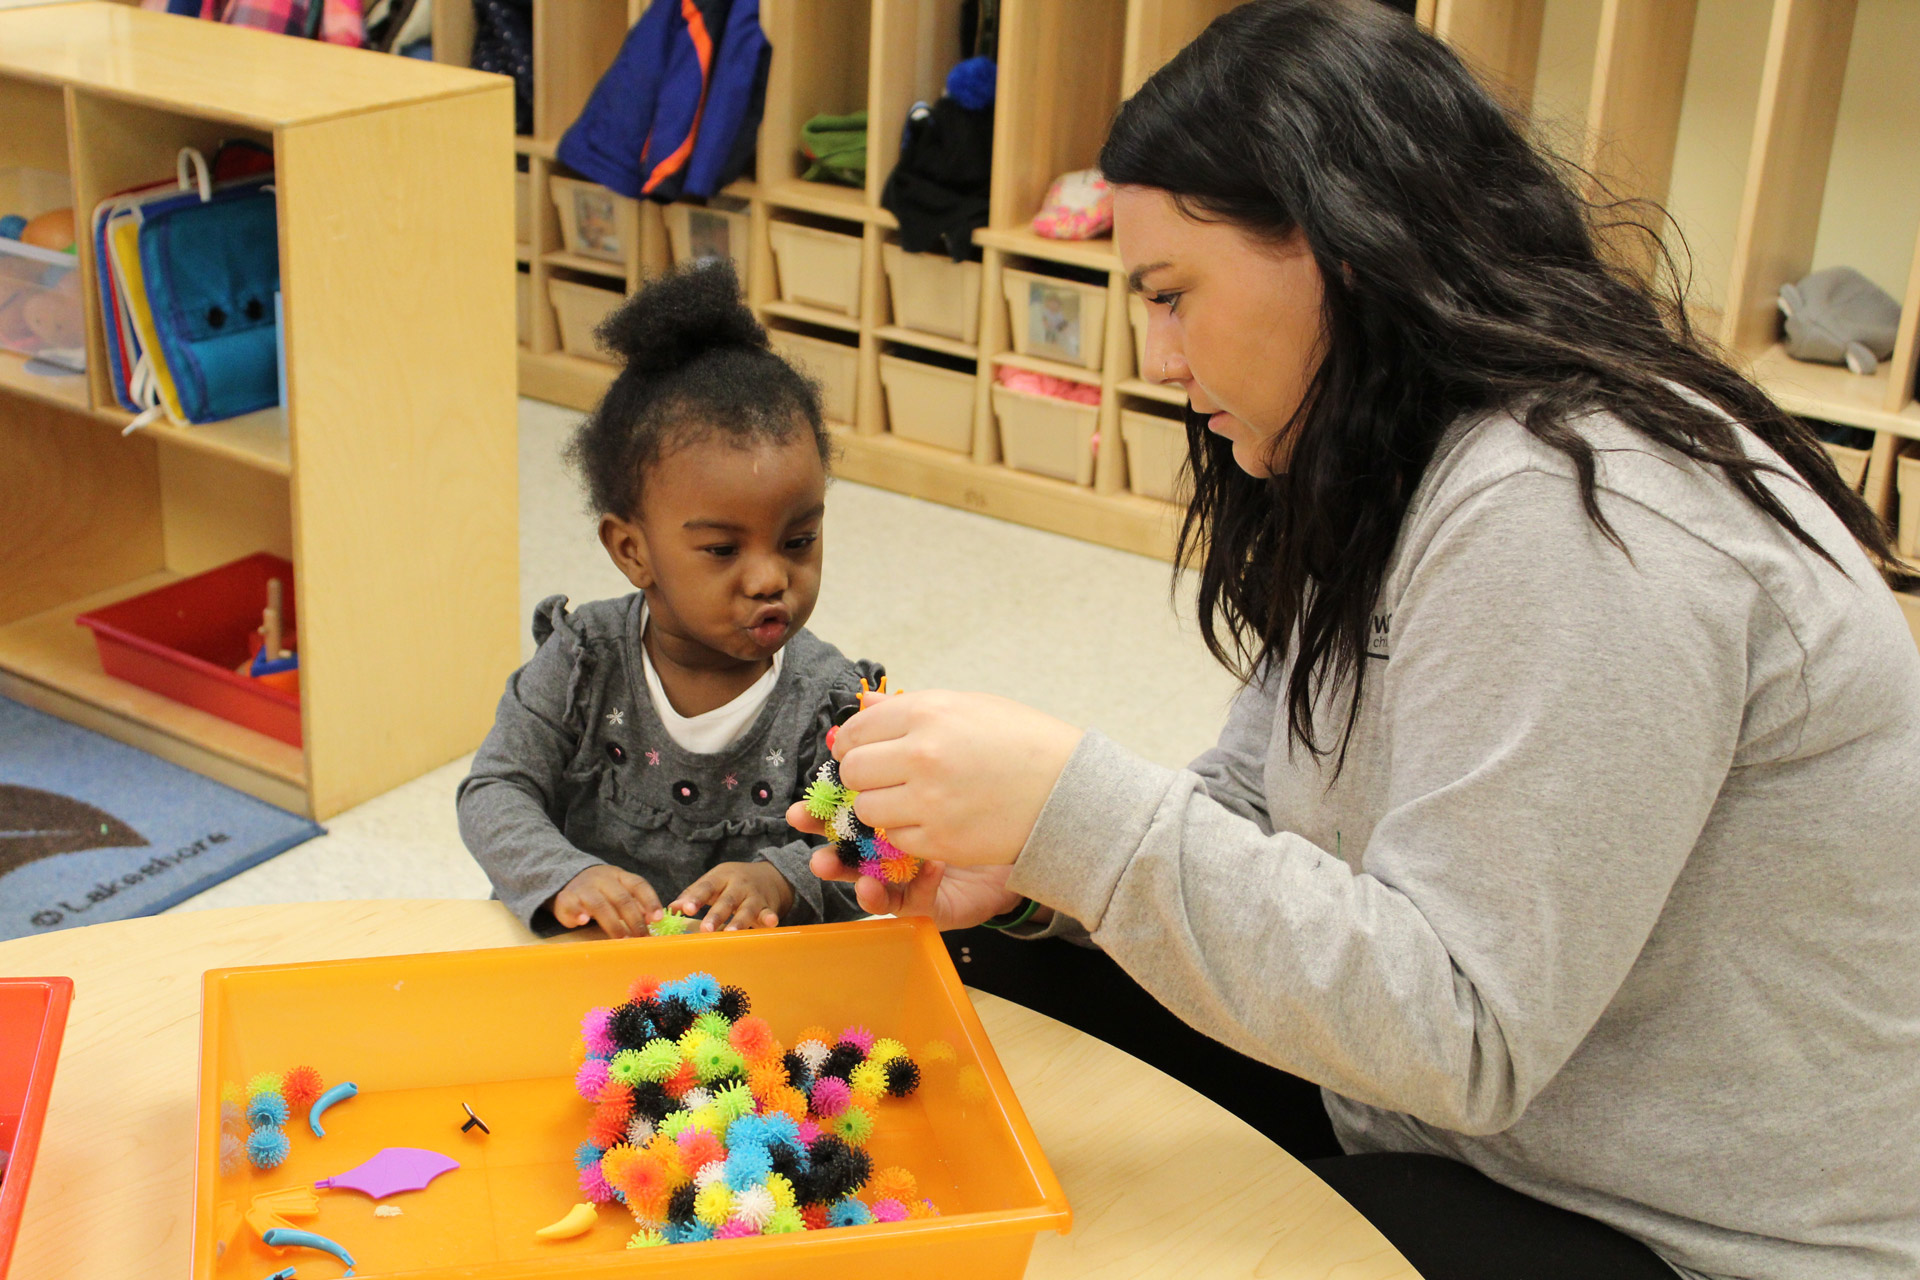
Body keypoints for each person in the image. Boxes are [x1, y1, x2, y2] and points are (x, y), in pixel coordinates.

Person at [791, 3, 1920, 1278]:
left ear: (1343, 248)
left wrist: (1077, 812)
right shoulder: (1391, 456)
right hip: (1463, 1119)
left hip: (1688, 1228)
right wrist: (1038, 869)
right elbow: (1258, 813)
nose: (1157, 356)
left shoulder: (1580, 511)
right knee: (992, 979)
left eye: (1172, 296)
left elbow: (1466, 1031)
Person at [460, 261, 877, 937]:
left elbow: (869, 847)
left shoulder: (830, 699)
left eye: (798, 540)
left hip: (744, 1011)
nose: (770, 579)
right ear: (632, 551)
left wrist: (782, 879)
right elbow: (495, 792)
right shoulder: (581, 662)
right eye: (722, 550)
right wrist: (564, 874)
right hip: (579, 972)